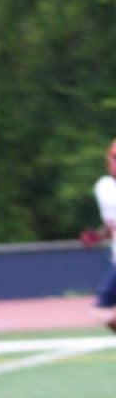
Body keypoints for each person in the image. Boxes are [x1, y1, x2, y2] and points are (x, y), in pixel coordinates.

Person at [81, 137, 116, 334]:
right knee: (102, 311)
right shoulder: (104, 187)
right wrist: (99, 235)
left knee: (103, 309)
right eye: (114, 158)